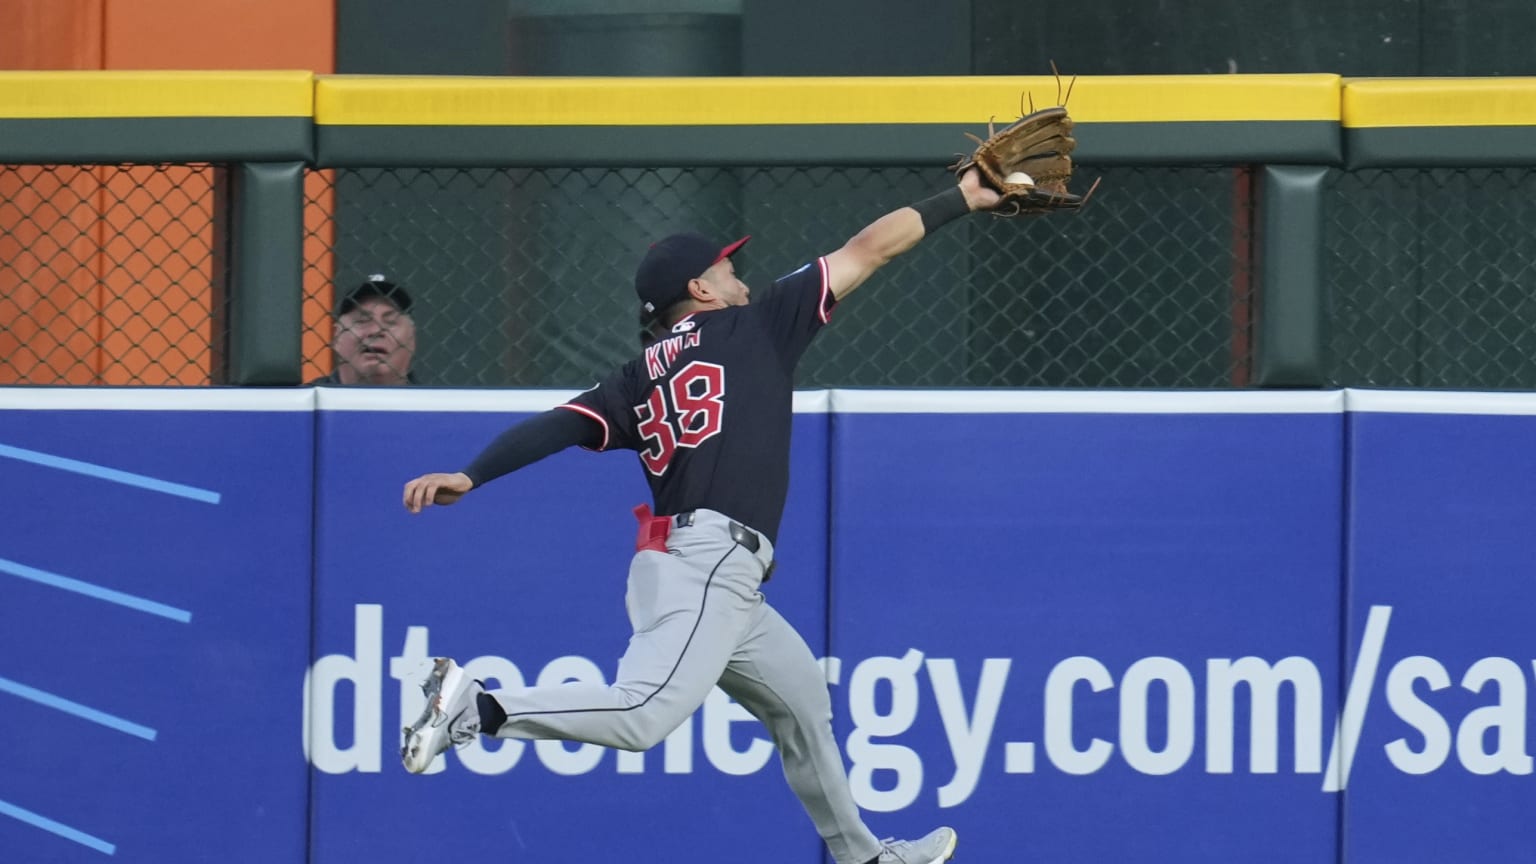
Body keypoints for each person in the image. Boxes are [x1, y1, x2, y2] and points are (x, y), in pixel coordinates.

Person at [398, 168, 1002, 864]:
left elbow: (557, 425)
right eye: (728, 267)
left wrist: (472, 473)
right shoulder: (756, 325)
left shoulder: (632, 376)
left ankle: (864, 858)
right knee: (643, 714)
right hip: (710, 562)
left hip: (701, 570)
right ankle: (477, 706)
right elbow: (871, 247)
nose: (740, 275)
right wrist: (964, 196)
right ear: (701, 290)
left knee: (802, 705)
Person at [309, 274, 418, 385]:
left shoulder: (431, 400)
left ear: (412, 339)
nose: (376, 330)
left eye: (391, 322)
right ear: (336, 336)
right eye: (362, 321)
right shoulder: (303, 400)